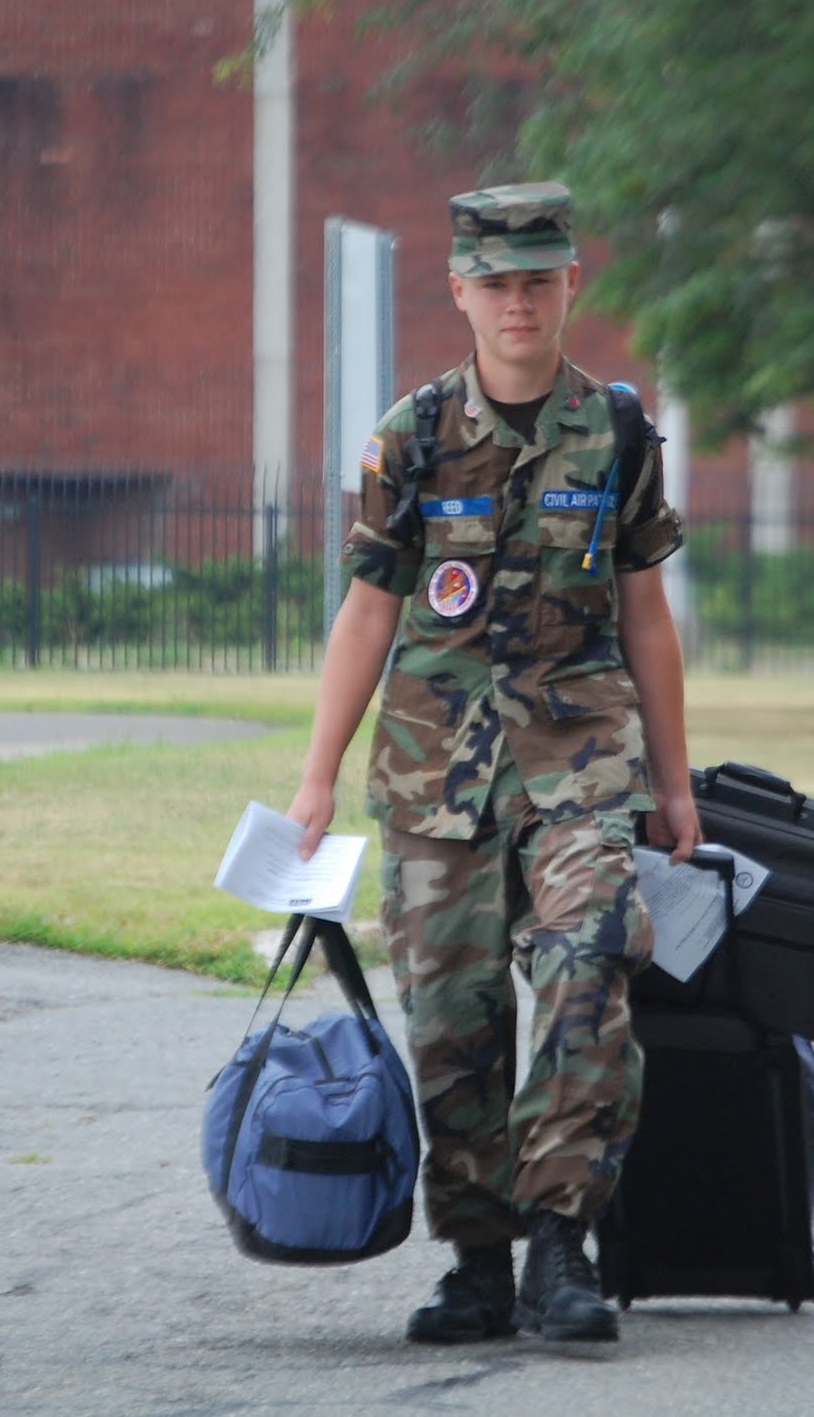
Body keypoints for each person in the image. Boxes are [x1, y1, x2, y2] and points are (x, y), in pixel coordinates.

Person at [287, 181, 699, 1345]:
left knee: (586, 973)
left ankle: (560, 1249)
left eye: (539, 280)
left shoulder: (618, 431)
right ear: (461, 292)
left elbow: (647, 616)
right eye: (497, 283)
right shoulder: (411, 436)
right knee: (452, 1015)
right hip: (435, 775)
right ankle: (475, 1262)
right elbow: (367, 613)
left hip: (582, 766)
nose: (518, 302)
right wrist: (316, 780)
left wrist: (672, 786)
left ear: (572, 284)